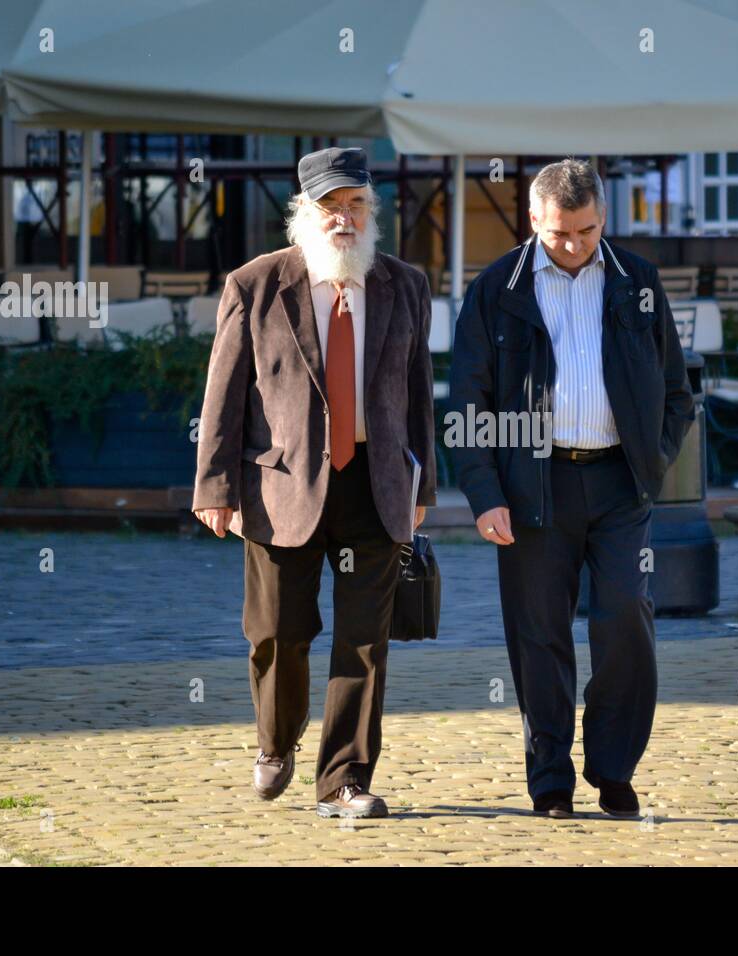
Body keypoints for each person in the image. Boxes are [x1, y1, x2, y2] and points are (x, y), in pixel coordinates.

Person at [192, 146, 435, 819]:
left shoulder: (405, 286)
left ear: (371, 212)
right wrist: (214, 487)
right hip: (282, 488)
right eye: (330, 207)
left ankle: (344, 780)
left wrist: (423, 489)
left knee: (365, 640)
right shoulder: (254, 285)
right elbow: (224, 394)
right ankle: (276, 742)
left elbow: (419, 400)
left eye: (356, 205)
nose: (344, 219)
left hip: (376, 485)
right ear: (304, 212)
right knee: (277, 632)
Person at [448, 158, 695, 819]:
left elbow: (677, 391)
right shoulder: (497, 288)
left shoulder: (637, 282)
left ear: (603, 218)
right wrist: (483, 492)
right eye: (561, 234)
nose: (576, 246)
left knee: (625, 622)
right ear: (534, 221)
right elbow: (467, 398)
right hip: (533, 484)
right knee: (540, 635)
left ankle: (613, 769)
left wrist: (653, 461)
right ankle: (550, 780)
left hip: (619, 484)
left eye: (587, 231)